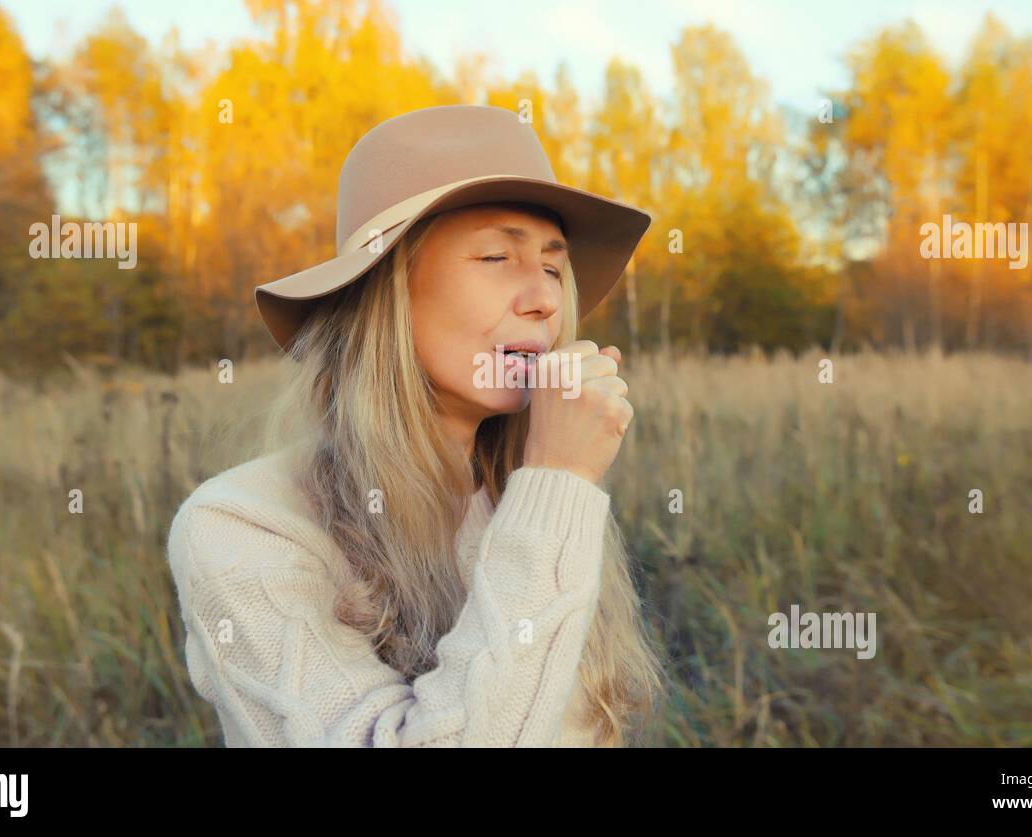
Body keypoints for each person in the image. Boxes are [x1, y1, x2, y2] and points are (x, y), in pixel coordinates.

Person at [166, 104, 667, 747]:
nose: (544, 299)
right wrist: (559, 481)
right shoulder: (243, 527)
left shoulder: (523, 492)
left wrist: (550, 487)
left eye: (550, 265)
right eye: (496, 257)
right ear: (387, 292)